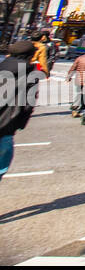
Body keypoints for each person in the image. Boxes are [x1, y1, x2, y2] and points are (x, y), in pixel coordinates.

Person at [0, 41, 43, 183]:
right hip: (7, 124)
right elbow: (28, 105)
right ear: (30, 55)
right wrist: (21, 123)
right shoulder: (31, 74)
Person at [67, 43, 85, 120]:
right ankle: (81, 110)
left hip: (79, 79)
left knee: (78, 95)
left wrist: (69, 76)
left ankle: (75, 110)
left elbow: (74, 67)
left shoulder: (80, 58)